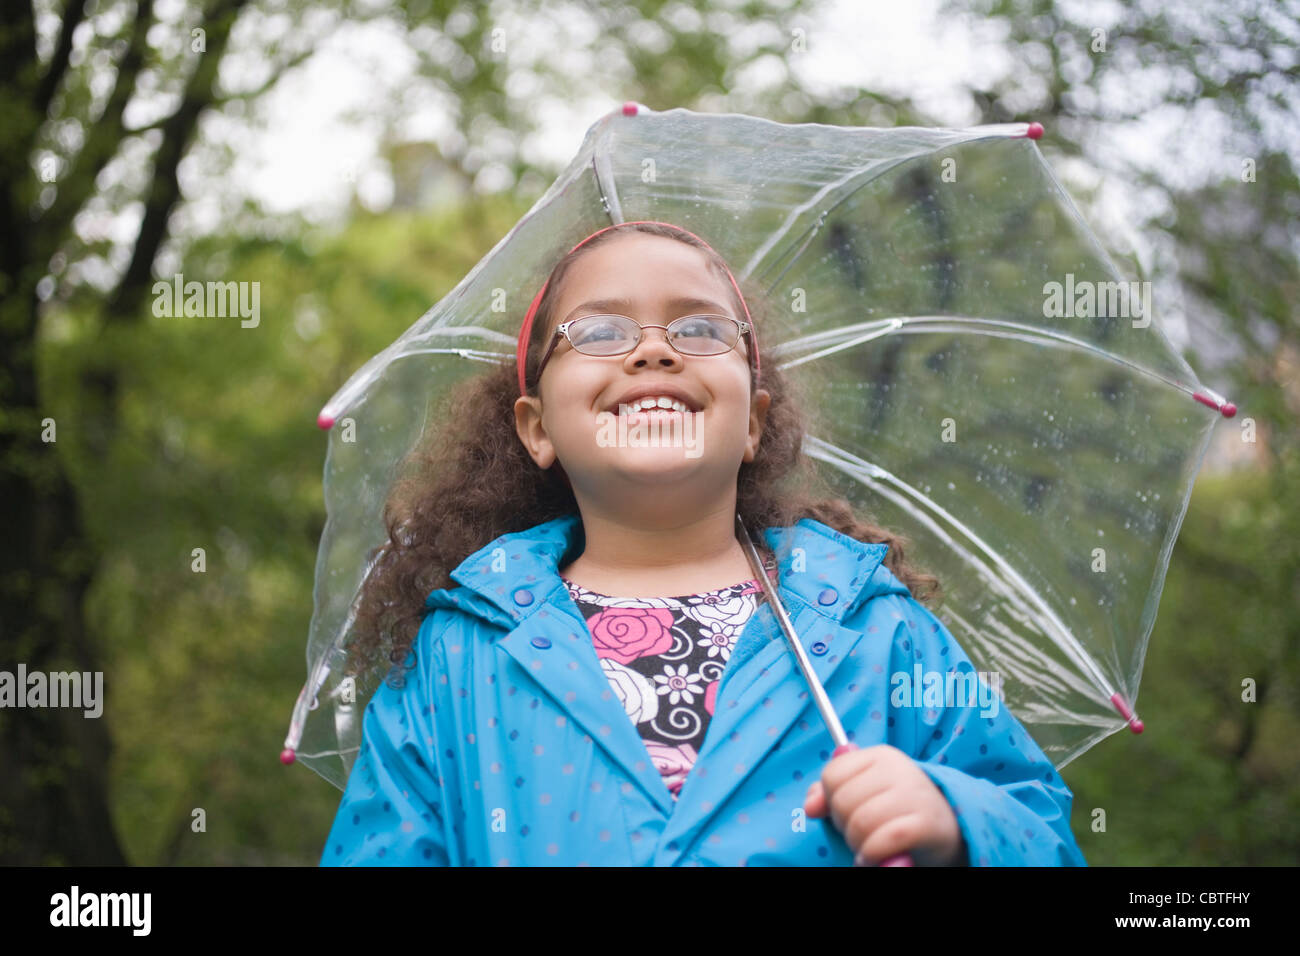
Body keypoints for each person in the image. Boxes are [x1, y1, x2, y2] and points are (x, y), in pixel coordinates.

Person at [319, 220, 1087, 866]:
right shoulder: (458, 656)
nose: (654, 350)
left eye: (699, 328)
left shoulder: (874, 629)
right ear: (538, 428)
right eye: (599, 330)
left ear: (752, 420)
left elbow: (1042, 826)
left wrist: (955, 821)